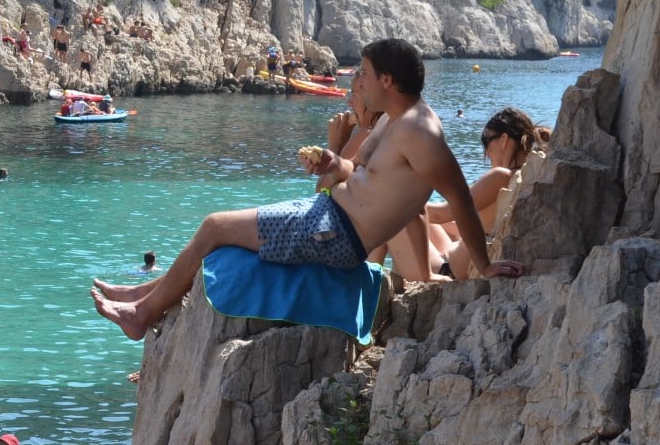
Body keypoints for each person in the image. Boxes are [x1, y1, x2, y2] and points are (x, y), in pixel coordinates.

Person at [91, 38, 524, 340]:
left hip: (335, 235)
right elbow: (359, 170)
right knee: (221, 232)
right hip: (326, 218)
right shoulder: (393, 121)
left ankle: (141, 316)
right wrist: (334, 163)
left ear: (388, 81)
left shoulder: (421, 133)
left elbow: (460, 200)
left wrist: (484, 265)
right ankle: (142, 294)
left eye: (365, 74)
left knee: (215, 226)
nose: (359, 81)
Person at [423, 108, 550, 279]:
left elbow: (442, 214)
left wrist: (401, 206)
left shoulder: (500, 177)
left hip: (447, 269)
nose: (487, 152)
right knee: (428, 217)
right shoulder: (528, 178)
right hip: (454, 256)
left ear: (503, 139)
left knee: (396, 213)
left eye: (487, 142)